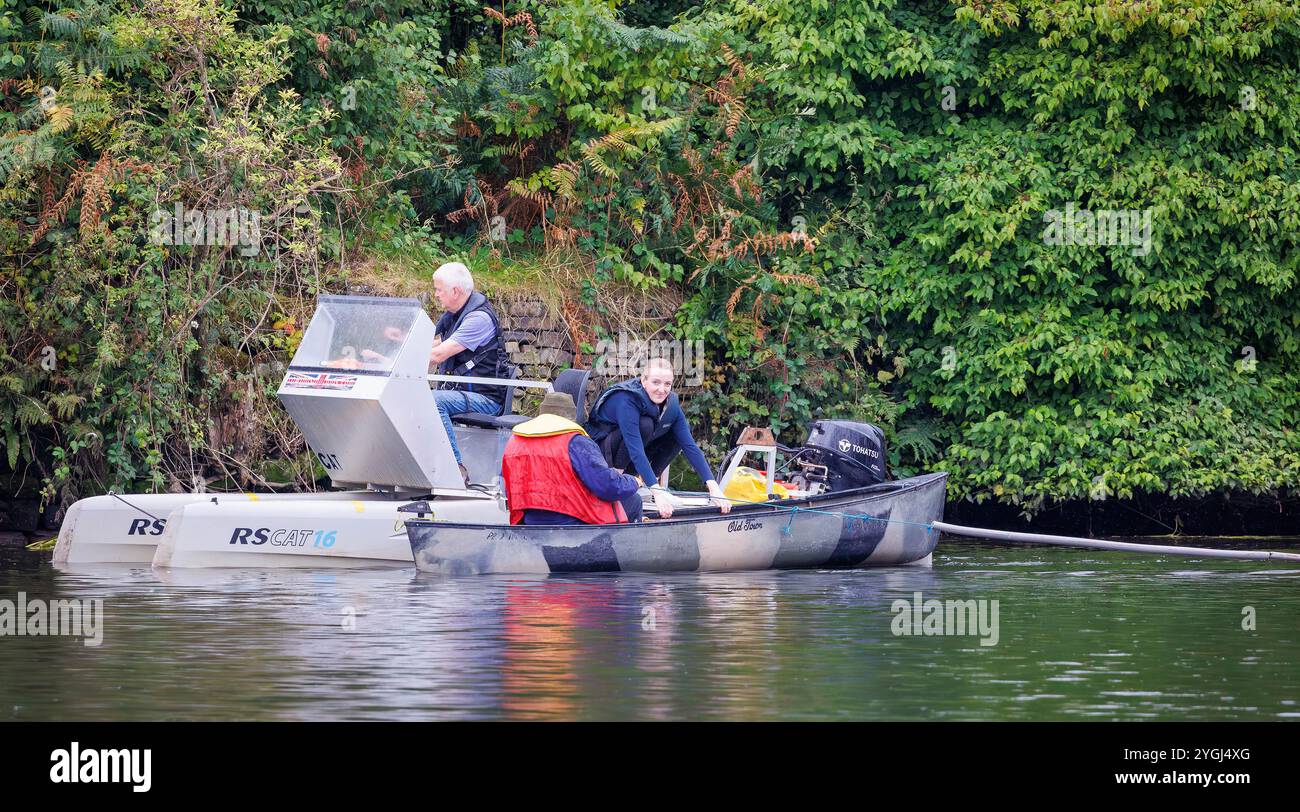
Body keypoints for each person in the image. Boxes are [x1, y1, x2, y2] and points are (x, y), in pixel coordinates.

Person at [585, 357, 730, 518]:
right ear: (643, 381)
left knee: (676, 433)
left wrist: (714, 488)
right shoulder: (626, 399)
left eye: (667, 384)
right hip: (600, 453)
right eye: (656, 382)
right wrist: (659, 492)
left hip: (629, 452)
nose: (662, 389)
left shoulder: (670, 403)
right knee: (645, 425)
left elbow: (690, 446)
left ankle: (648, 482)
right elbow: (636, 450)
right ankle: (617, 481)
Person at [501, 392, 643, 525]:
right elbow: (607, 486)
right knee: (634, 500)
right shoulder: (576, 442)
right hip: (573, 523)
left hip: (529, 522)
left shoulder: (515, 441)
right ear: (572, 417)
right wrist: (633, 481)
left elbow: (506, 487)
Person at [428, 261, 506, 482]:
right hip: (463, 394)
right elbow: (429, 345)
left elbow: (437, 355)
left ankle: (454, 471)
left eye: (438, 290)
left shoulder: (478, 319)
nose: (435, 295)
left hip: (487, 397)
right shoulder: (453, 315)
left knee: (432, 401)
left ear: (455, 291)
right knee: (416, 398)